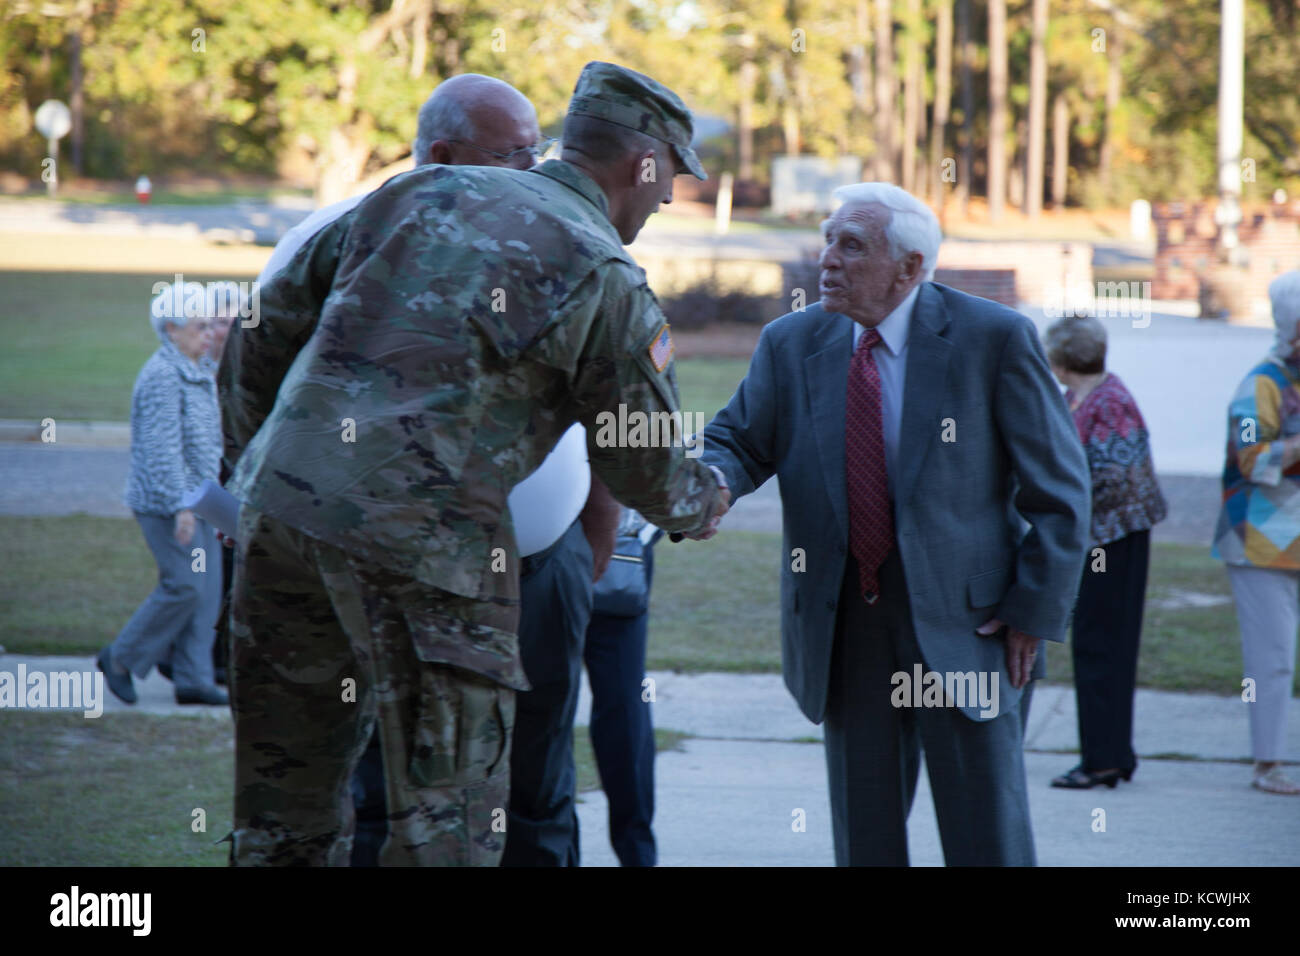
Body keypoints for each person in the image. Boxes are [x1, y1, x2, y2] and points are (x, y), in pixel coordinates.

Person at [217, 61, 729, 866]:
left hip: (281, 521)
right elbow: (643, 464)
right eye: (670, 181)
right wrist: (704, 502)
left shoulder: (411, 193)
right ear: (644, 165)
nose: (668, 200)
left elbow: (258, 331)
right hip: (429, 556)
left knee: (283, 815)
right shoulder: (603, 268)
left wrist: (254, 470)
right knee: (446, 830)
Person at [700, 182, 1090, 866]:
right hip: (847, 624)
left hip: (971, 625)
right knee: (866, 838)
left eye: (851, 245)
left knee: (987, 837)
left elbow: (1060, 488)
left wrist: (1034, 609)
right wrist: (707, 486)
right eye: (827, 240)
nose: (828, 259)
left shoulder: (993, 339)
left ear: (910, 267)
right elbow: (738, 441)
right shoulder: (791, 342)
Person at [1043, 315, 1167, 789]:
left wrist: (1055, 503)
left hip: (1114, 541)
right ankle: (1112, 753)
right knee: (1096, 645)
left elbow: (1115, 482)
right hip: (1099, 540)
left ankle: (1103, 761)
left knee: (1103, 647)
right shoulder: (1083, 396)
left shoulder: (1110, 403)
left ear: (1061, 358)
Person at [97, 280, 229, 708]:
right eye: (199, 325)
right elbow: (161, 449)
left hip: (202, 501)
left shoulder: (199, 370)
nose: (209, 333)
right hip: (169, 505)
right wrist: (182, 507)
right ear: (171, 328)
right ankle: (120, 659)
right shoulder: (163, 375)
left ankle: (194, 679)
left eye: (211, 324)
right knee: (185, 585)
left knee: (208, 592)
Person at [1212, 269, 1300, 796]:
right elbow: (1250, 458)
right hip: (1260, 546)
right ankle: (1267, 765)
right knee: (1270, 661)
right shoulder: (1260, 383)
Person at [582, 507, 661, 866]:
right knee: (546, 711)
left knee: (624, 708)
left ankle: (637, 854)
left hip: (619, 548)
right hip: (539, 554)